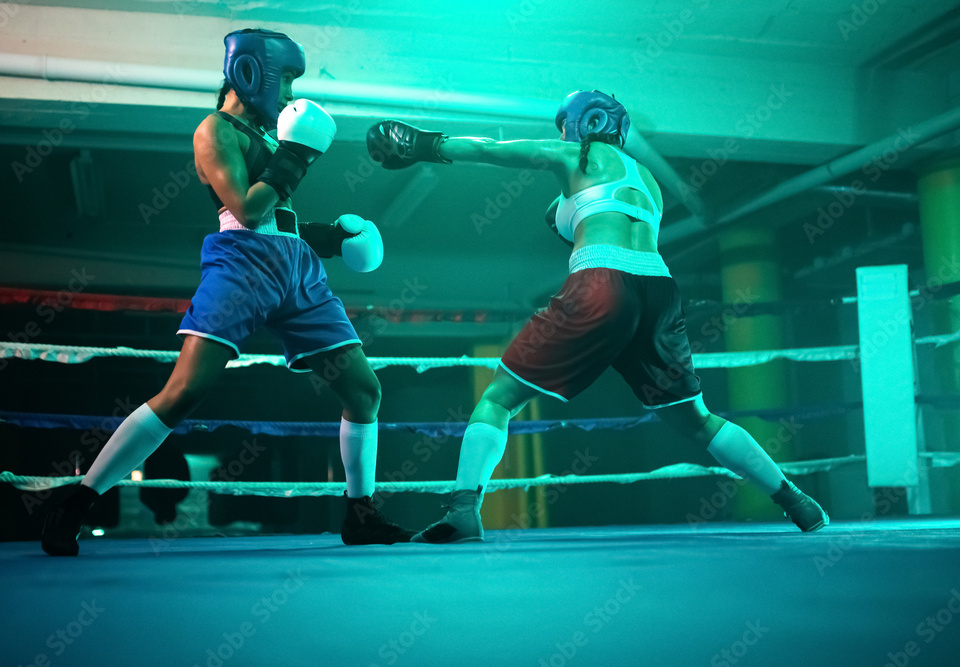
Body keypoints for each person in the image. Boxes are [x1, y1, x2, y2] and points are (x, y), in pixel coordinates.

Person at [366, 90, 829, 543]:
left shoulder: (578, 156)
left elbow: (494, 151)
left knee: (499, 398)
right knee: (697, 419)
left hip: (601, 281)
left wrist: (425, 144)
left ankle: (464, 511)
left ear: (584, 123)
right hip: (659, 289)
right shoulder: (648, 181)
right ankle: (797, 501)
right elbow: (585, 213)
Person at [41, 28, 413, 556]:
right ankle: (77, 500)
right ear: (250, 73)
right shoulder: (214, 130)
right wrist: (298, 155)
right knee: (185, 390)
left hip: (297, 269)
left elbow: (279, 218)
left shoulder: (267, 138)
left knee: (364, 390)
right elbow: (248, 210)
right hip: (243, 264)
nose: (287, 93)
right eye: (283, 78)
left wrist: (329, 237)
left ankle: (360, 512)